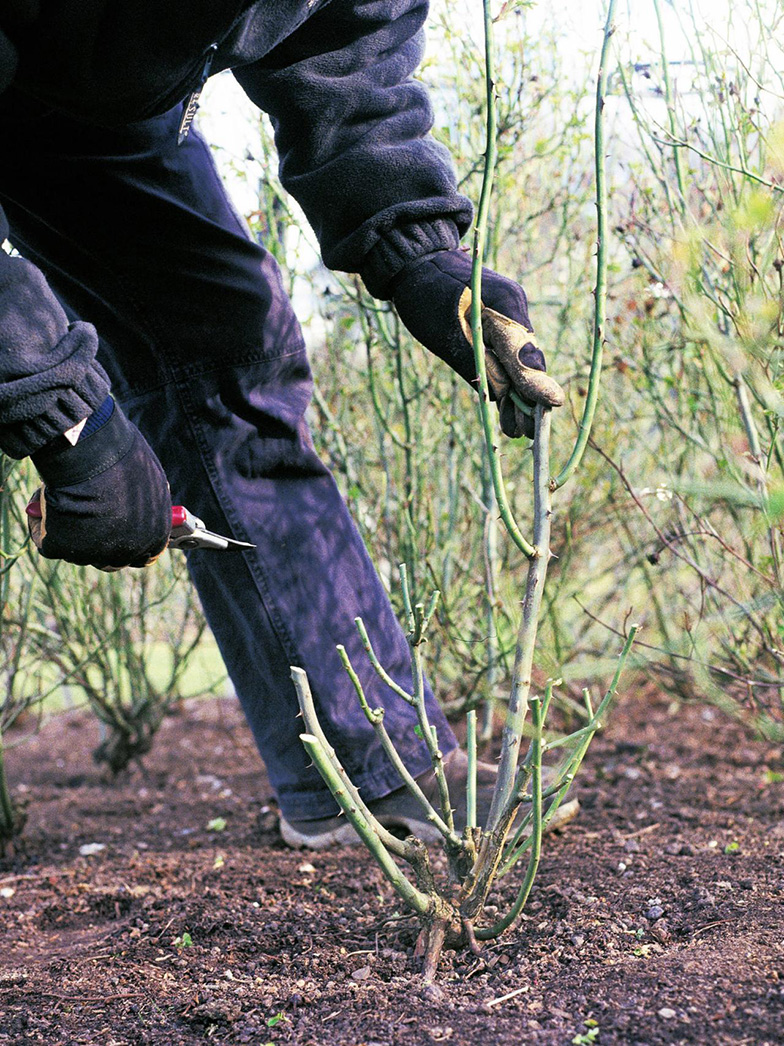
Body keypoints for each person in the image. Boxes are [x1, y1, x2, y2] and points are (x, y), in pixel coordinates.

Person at [0, 1, 566, 848]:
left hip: (97, 117)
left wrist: (423, 256)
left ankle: (366, 770)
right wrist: (60, 412)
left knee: (231, 348)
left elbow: (344, 45)